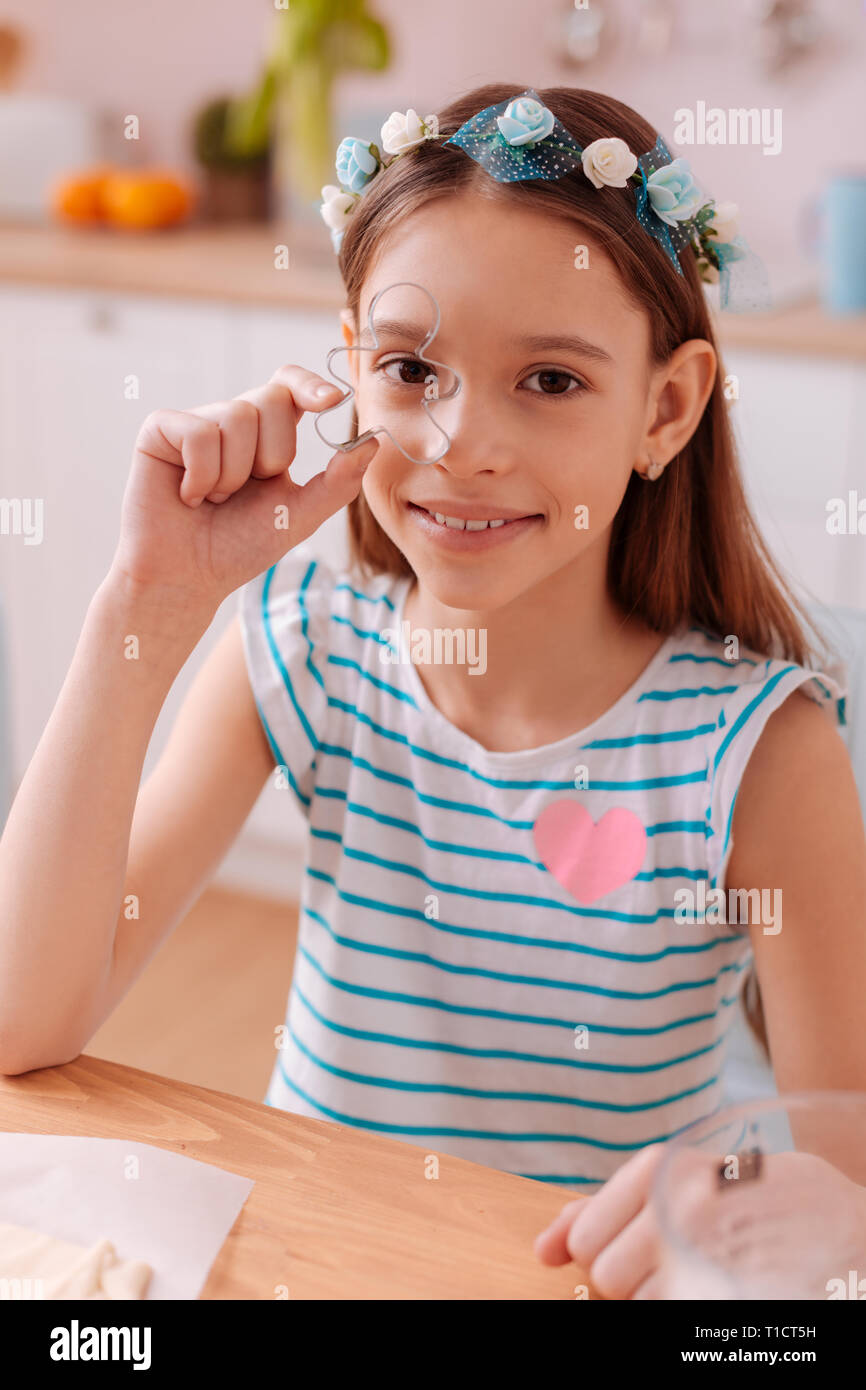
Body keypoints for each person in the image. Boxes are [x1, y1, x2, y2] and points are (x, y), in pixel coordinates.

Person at [2, 84, 864, 1300]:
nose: (459, 442)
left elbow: (844, 1165)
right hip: (305, 1269)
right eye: (411, 368)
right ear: (351, 368)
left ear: (664, 408)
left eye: (551, 381)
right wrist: (143, 607)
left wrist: (760, 1192)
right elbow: (18, 1022)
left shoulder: (757, 751)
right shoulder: (300, 649)